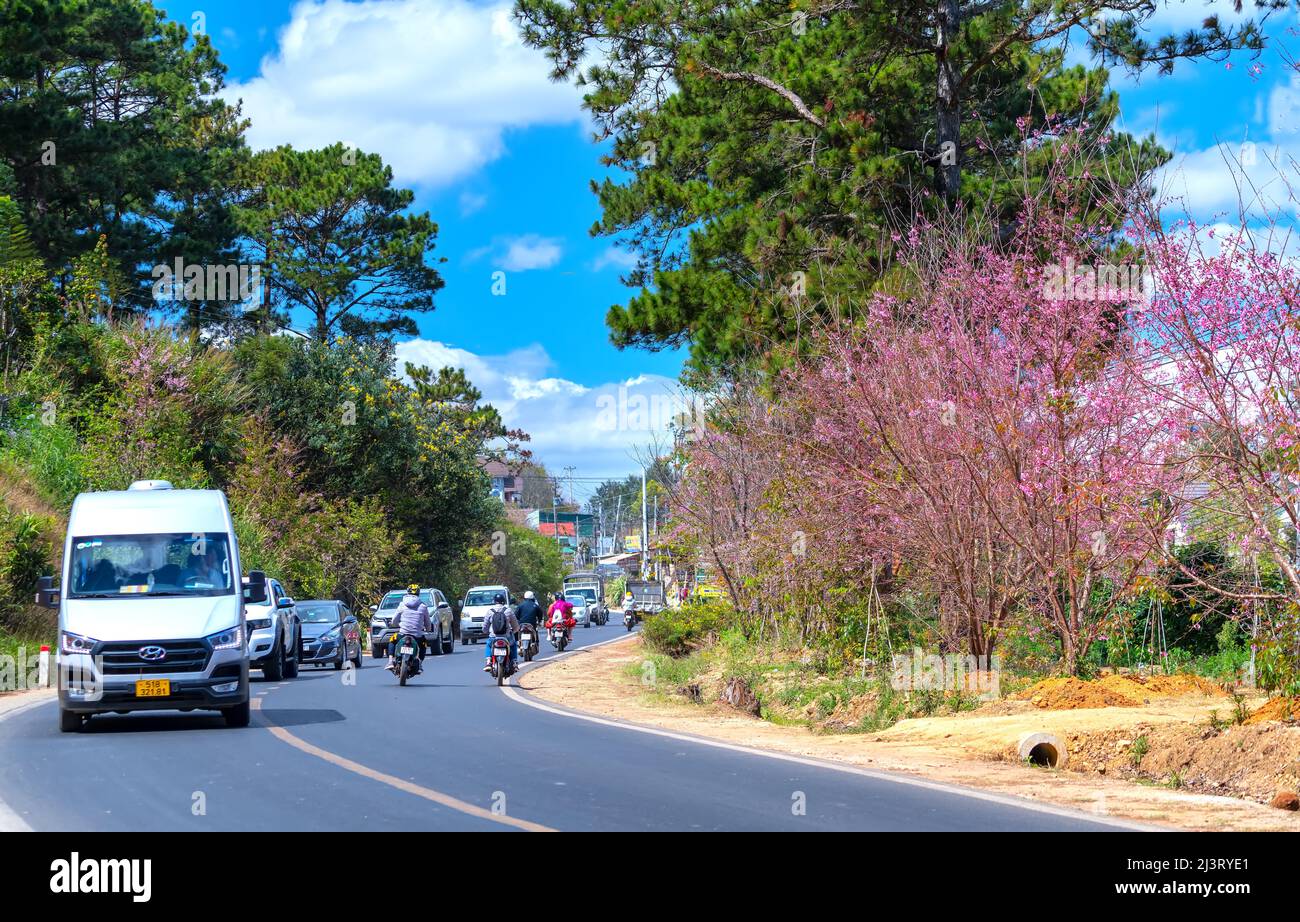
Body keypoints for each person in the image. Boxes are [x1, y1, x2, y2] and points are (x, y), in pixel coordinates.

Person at [387, 584, 431, 673]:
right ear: (418, 594)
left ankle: (390, 661)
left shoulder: (402, 605)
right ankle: (420, 663)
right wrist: (428, 629)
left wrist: (394, 624)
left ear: (407, 592)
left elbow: (394, 620)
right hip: (417, 636)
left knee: (392, 640)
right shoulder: (423, 606)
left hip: (402, 634)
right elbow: (428, 623)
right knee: (424, 644)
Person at [482, 593, 520, 673]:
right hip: (506, 636)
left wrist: (485, 631)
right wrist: (514, 631)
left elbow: (485, 626)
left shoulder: (490, 611)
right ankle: (514, 662)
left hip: (493, 637)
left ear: (494, 601)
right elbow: (516, 626)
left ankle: (488, 662)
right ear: (503, 601)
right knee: (513, 645)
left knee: (489, 645)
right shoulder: (508, 610)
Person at [514, 590, 543, 658]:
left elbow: (515, 616)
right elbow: (540, 615)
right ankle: (536, 643)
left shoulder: (520, 605)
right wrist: (539, 621)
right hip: (531, 625)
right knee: (536, 633)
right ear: (532, 597)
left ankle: (518, 643)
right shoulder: (535, 606)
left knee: (516, 634)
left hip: (521, 625)